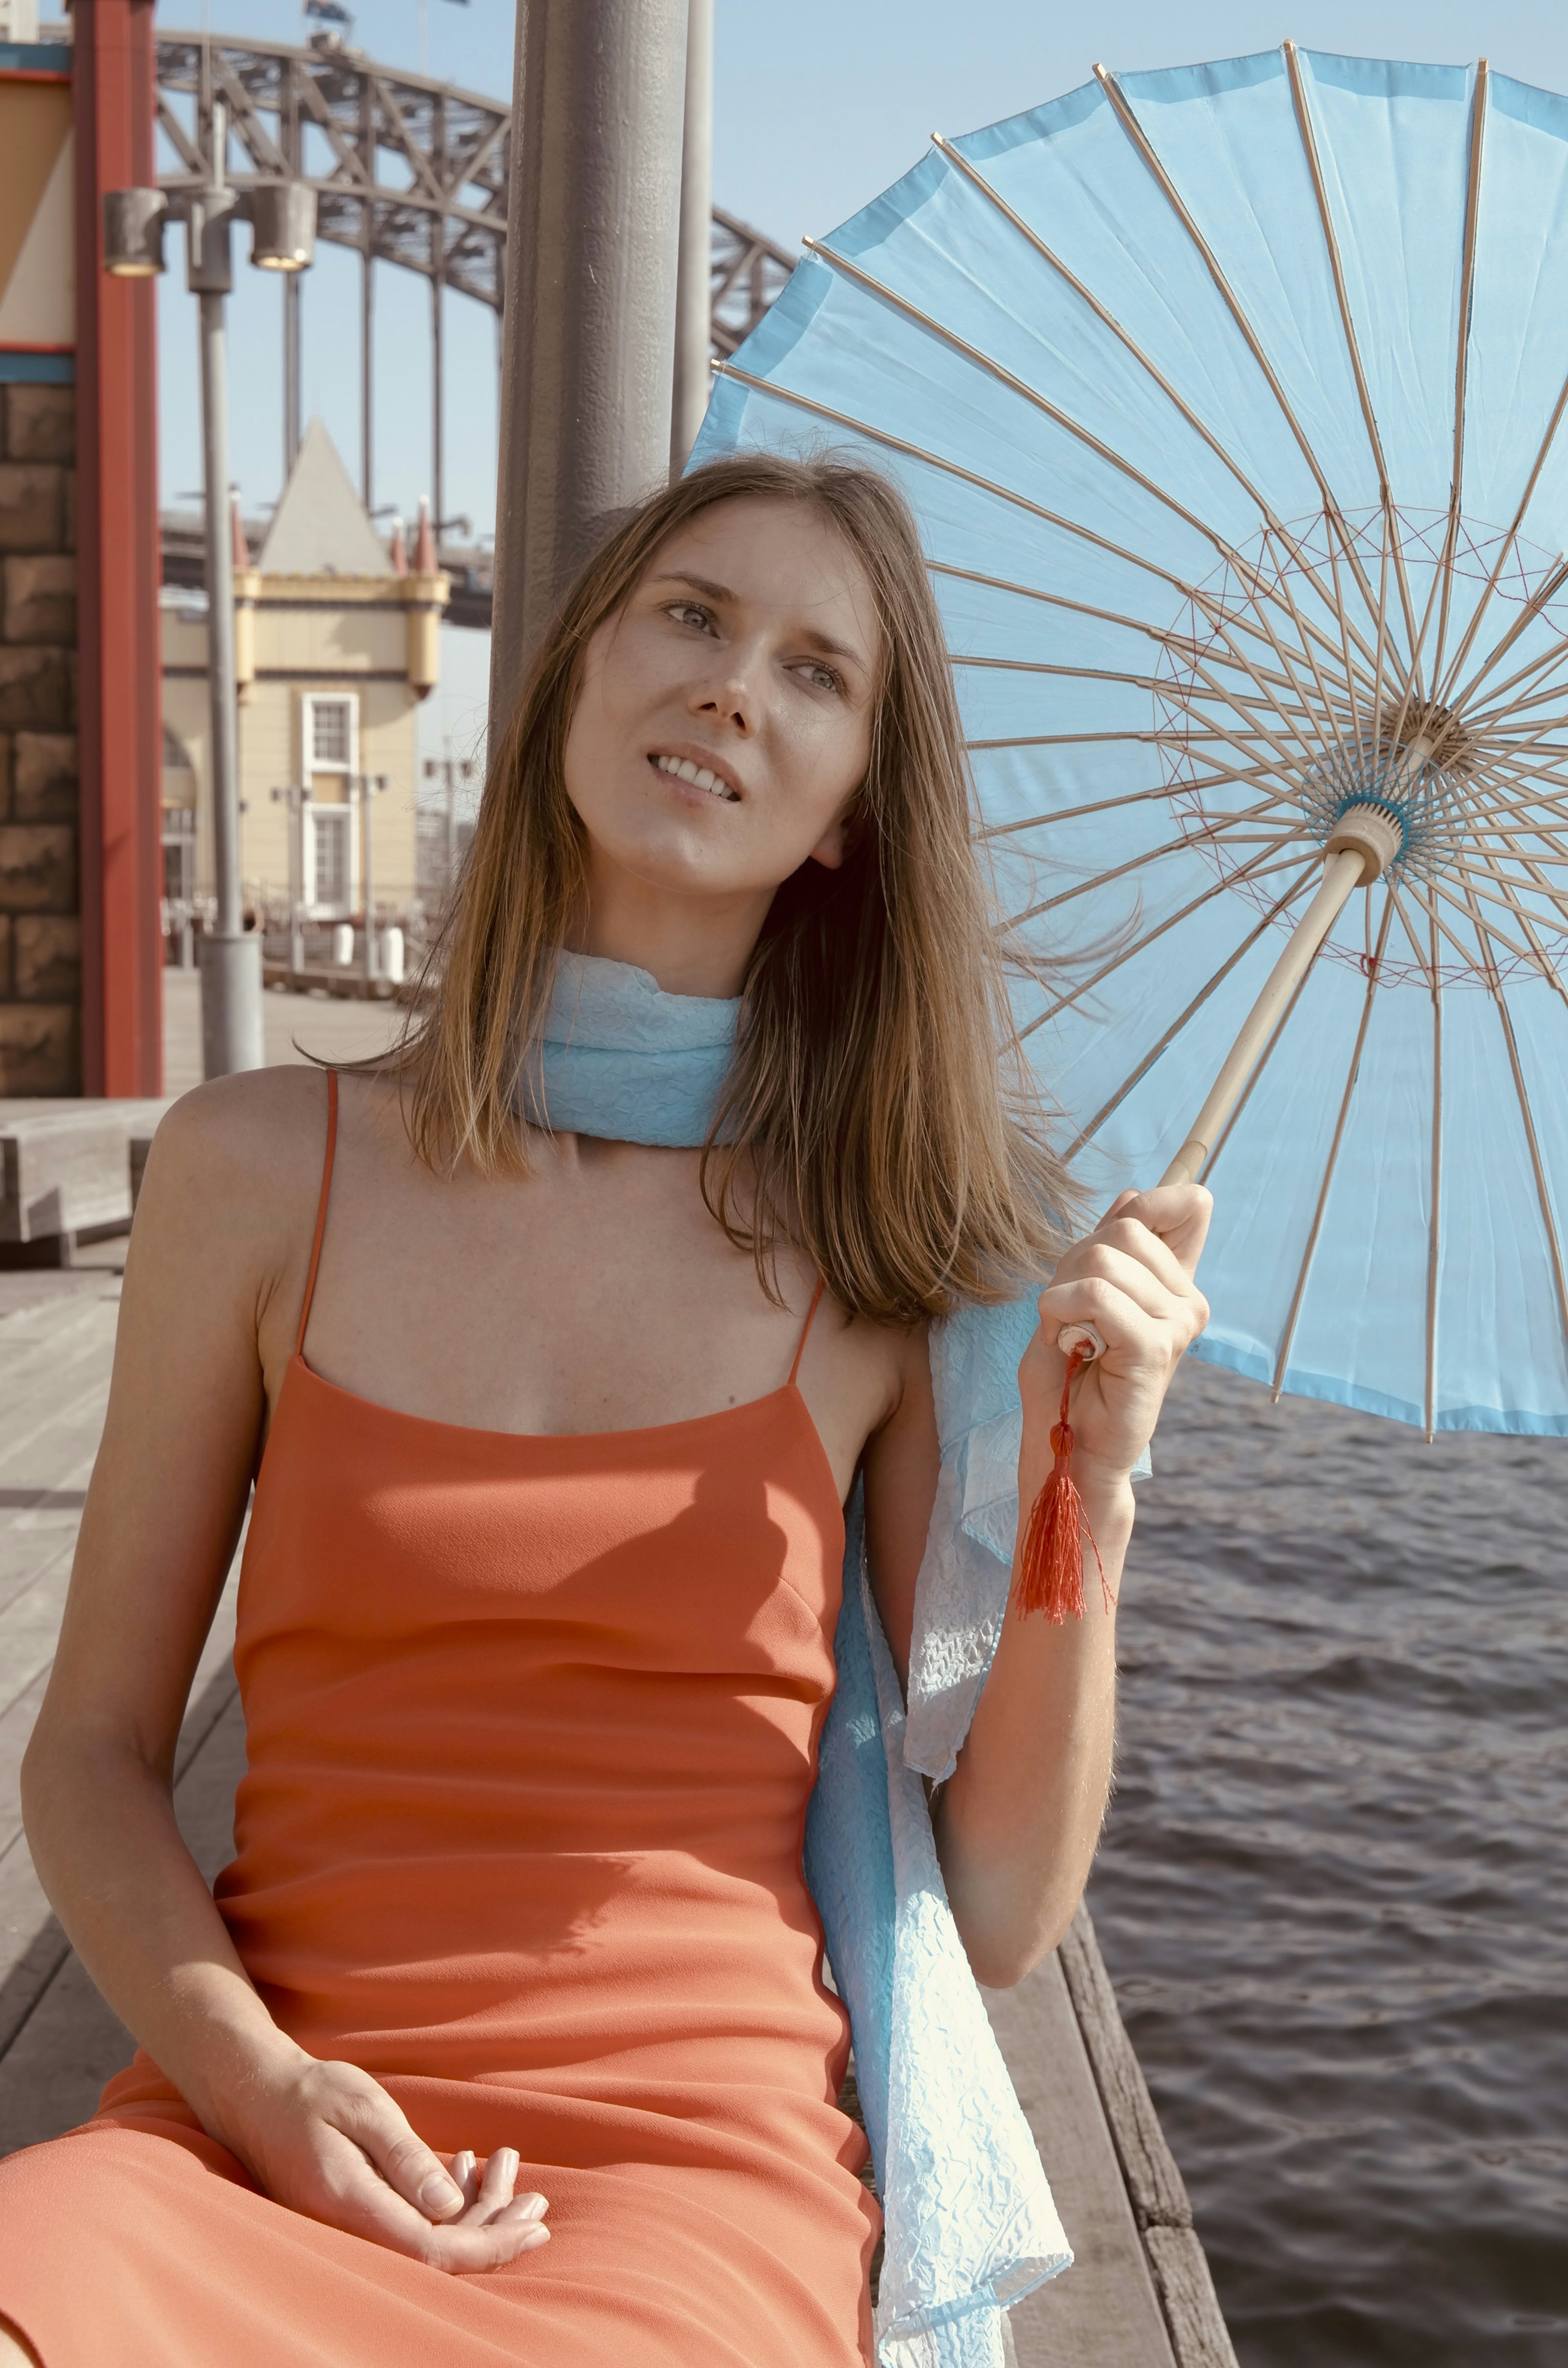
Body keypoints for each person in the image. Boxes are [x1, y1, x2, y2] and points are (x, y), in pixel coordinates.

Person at [0, 453, 1209, 2366]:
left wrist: (1100, 1487)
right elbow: (86, 1751)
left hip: (690, 2177)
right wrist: (253, 2083)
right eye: (695, 616)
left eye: (821, 671)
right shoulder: (249, 1167)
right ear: (573, 675)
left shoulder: (897, 1259)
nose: (739, 685)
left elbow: (992, 1905)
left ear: (845, 822)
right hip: (260, 2121)